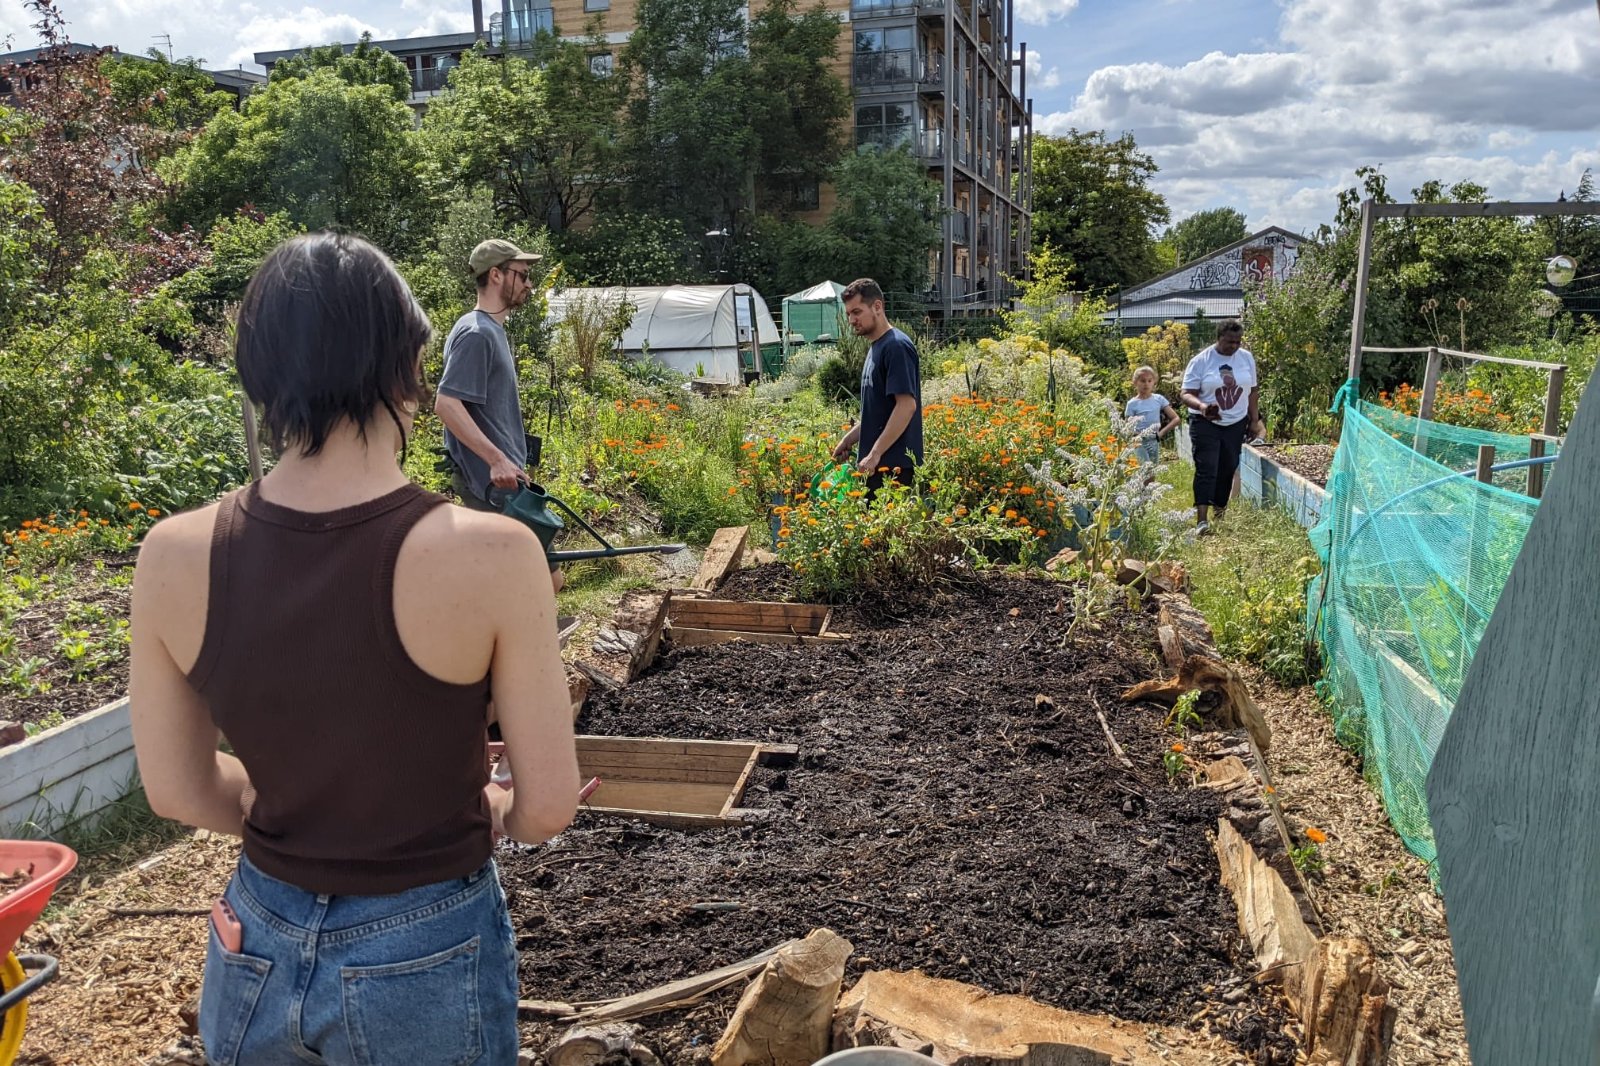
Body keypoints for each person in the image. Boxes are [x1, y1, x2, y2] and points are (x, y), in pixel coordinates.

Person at [128, 233, 580, 1066]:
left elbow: (178, 790)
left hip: (253, 938)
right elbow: (547, 806)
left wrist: (302, 807)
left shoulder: (172, 553)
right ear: (407, 368)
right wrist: (493, 807)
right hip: (428, 948)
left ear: (257, 371)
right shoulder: (492, 556)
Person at [434, 238, 564, 592]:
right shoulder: (476, 334)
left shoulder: (491, 330)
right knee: (537, 582)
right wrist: (496, 460)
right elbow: (446, 404)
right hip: (490, 485)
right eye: (522, 275)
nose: (528, 284)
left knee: (540, 580)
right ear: (496, 275)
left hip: (507, 482)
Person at [831, 278, 923, 490]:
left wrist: (875, 454)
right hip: (876, 466)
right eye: (848, 314)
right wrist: (849, 440)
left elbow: (906, 406)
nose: (852, 320)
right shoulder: (877, 347)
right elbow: (880, 414)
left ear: (877, 307)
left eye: (857, 312)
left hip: (893, 469)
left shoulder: (896, 347)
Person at [1180, 320, 1258, 535]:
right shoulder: (1201, 361)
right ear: (1218, 338)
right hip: (1206, 422)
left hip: (1236, 422)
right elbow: (1186, 393)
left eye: (1237, 342)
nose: (1234, 346)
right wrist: (1203, 407)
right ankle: (1202, 520)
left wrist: (1253, 419)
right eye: (1229, 341)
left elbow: (1252, 391)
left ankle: (1220, 514)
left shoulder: (1246, 358)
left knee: (1227, 467)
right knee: (1207, 468)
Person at [1124, 365, 1180, 466]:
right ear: (1135, 382)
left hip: (1154, 440)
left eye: (1150, 381)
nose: (1146, 384)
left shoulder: (1158, 399)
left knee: (1153, 470)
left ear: (1154, 382)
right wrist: (1135, 434)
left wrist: (1161, 433)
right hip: (1138, 442)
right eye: (1143, 381)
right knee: (1145, 469)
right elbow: (1127, 426)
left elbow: (1176, 419)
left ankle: (1150, 482)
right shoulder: (1132, 404)